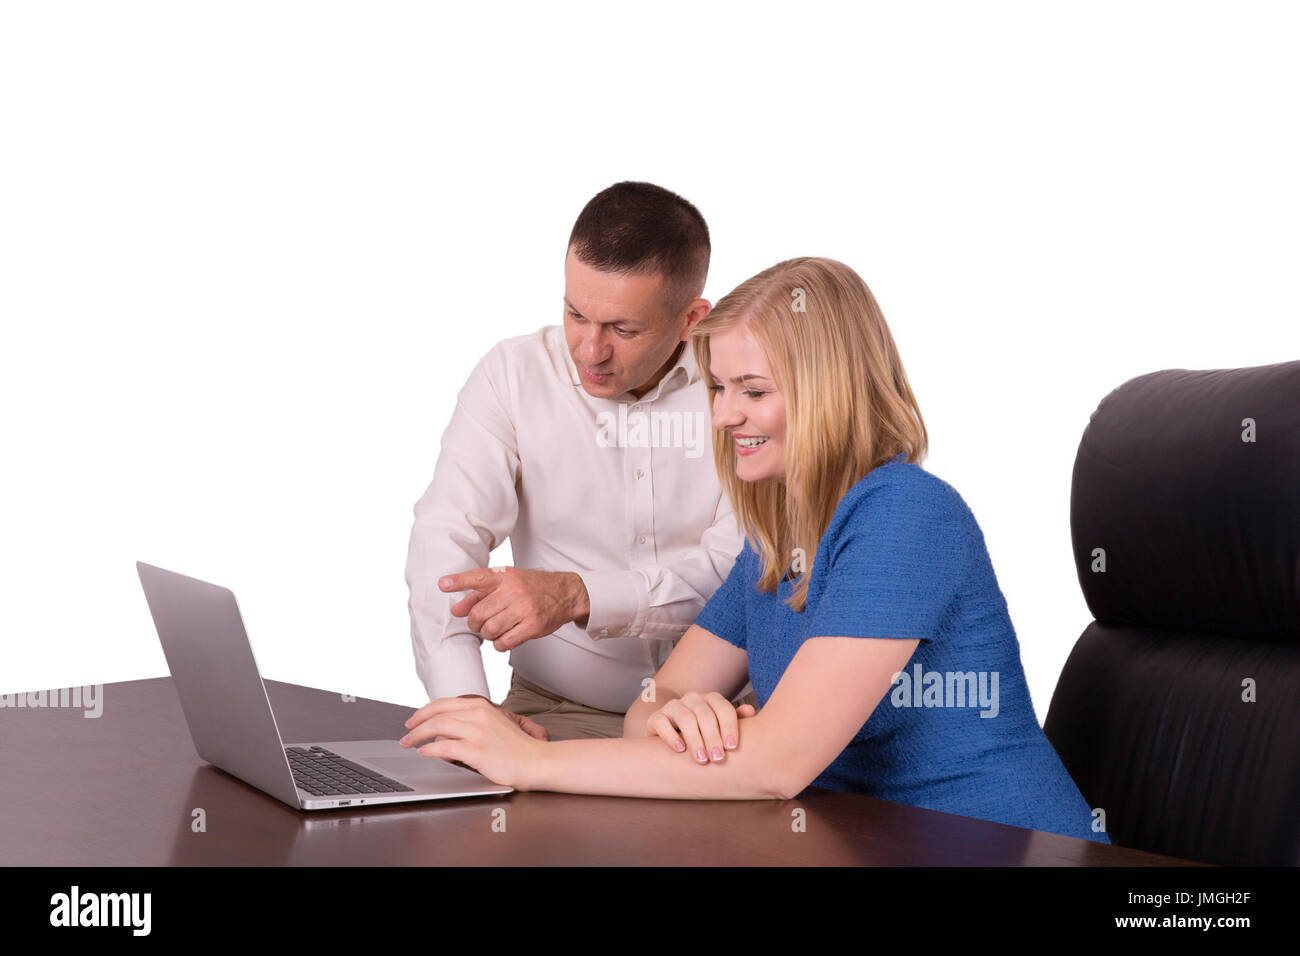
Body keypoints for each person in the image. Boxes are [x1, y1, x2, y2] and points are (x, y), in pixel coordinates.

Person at [400, 256, 1110, 844]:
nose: (722, 415)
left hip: (995, 846)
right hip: (860, 841)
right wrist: (676, 715)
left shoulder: (906, 514)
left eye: (753, 390)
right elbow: (656, 701)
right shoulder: (777, 537)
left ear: (828, 391)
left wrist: (528, 761)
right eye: (716, 387)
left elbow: (776, 765)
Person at [404, 181, 749, 742]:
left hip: (721, 715)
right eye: (575, 313)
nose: (590, 350)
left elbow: (738, 574)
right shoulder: (511, 377)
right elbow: (444, 539)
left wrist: (577, 594)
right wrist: (465, 704)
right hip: (554, 711)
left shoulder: (744, 389)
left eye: (622, 328)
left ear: (691, 319)